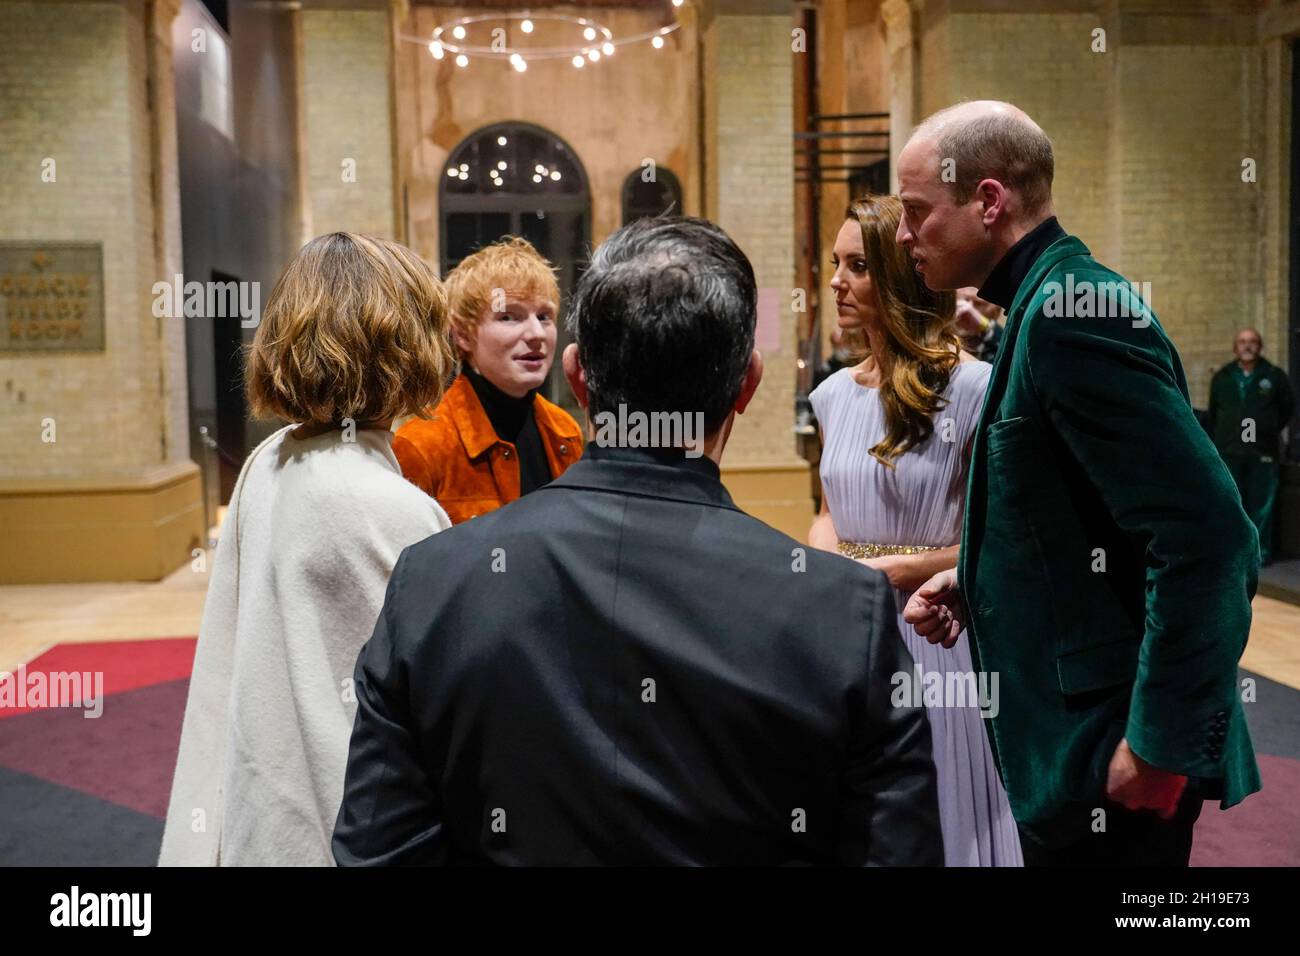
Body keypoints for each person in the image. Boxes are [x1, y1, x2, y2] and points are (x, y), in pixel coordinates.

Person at [333, 216, 943, 866]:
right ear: (748, 384)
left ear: (578, 376)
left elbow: (380, 849)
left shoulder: (433, 582)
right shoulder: (844, 612)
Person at [897, 101, 1261, 867]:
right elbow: (1077, 517)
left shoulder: (1068, 312)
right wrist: (977, 577)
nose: (904, 235)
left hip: (1112, 752)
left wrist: (1159, 745)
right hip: (1080, 745)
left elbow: (1210, 536)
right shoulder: (1040, 306)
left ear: (988, 201)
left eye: (916, 211)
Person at [159, 233, 457, 866]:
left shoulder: (271, 458)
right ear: (406, 342)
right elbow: (441, 714)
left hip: (260, 817)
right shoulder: (394, 509)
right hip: (340, 831)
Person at [809, 196, 1020, 866]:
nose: (837, 281)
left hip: (940, 637)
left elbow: (1001, 537)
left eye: (858, 266)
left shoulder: (975, 388)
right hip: (848, 634)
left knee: (945, 823)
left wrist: (885, 574)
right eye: (834, 264)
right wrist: (822, 572)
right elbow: (827, 509)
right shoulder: (831, 395)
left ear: (900, 278)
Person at [393, 237, 583, 524]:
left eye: (544, 316)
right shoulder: (421, 446)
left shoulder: (565, 433)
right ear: (463, 335)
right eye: (509, 317)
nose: (536, 334)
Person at [1208, 328, 1295, 566]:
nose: (1248, 346)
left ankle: (1258, 553)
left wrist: (1268, 428)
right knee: (1231, 504)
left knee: (1261, 507)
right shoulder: (1223, 377)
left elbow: (1286, 409)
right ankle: (1232, 551)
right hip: (1229, 452)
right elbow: (1214, 413)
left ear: (1260, 346)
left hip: (1262, 453)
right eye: (1243, 342)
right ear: (1235, 347)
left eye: (1253, 342)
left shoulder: (1274, 376)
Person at [954, 286, 1003, 362]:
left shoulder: (1000, 343)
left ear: (995, 312)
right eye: (965, 300)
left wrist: (985, 326)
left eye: (978, 303)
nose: (967, 308)